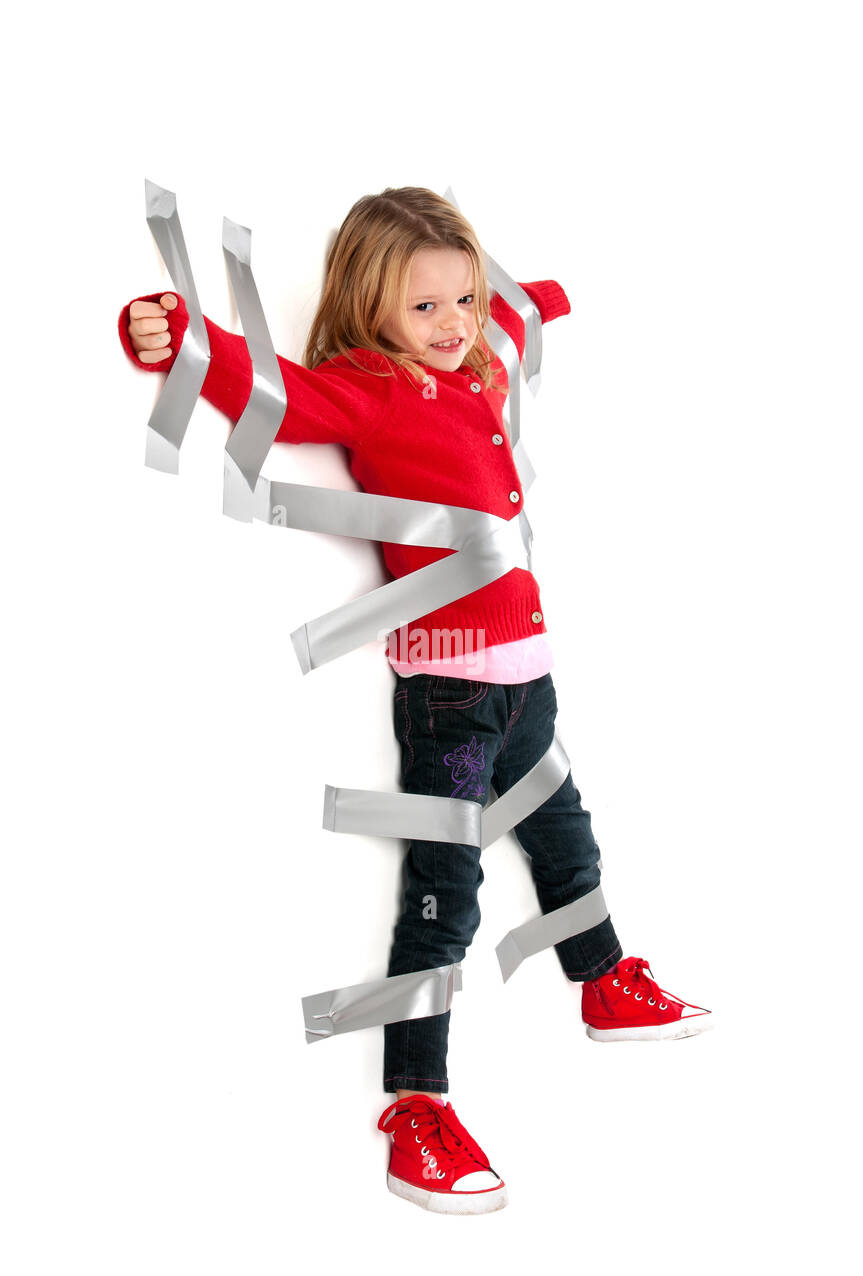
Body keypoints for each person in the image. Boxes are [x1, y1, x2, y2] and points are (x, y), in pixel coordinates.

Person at [118, 186, 712, 1217]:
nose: (453, 327)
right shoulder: (370, 387)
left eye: (464, 301)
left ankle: (602, 978)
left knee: (569, 844)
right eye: (425, 308)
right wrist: (170, 339)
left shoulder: (478, 358)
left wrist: (553, 295)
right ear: (372, 307)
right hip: (447, 694)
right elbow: (274, 395)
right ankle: (414, 1106)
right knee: (444, 898)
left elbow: (517, 311)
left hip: (528, 678)